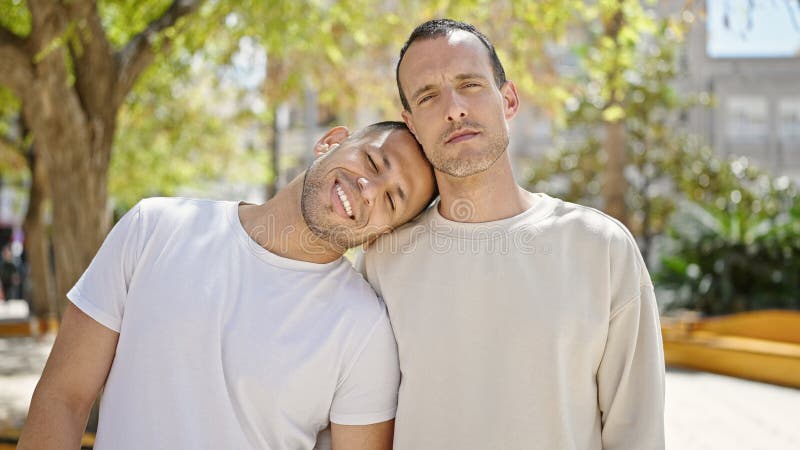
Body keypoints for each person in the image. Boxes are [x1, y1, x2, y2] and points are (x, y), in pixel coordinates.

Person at [18, 121, 436, 450]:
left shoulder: (364, 331)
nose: (368, 189)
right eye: (372, 162)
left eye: (392, 200)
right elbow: (63, 398)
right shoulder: (155, 227)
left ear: (386, 232)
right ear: (331, 141)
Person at [359, 20, 665, 450]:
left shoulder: (600, 248)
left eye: (470, 84)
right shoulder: (383, 259)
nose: (454, 109)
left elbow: (638, 432)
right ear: (410, 125)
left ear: (509, 100)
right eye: (429, 96)